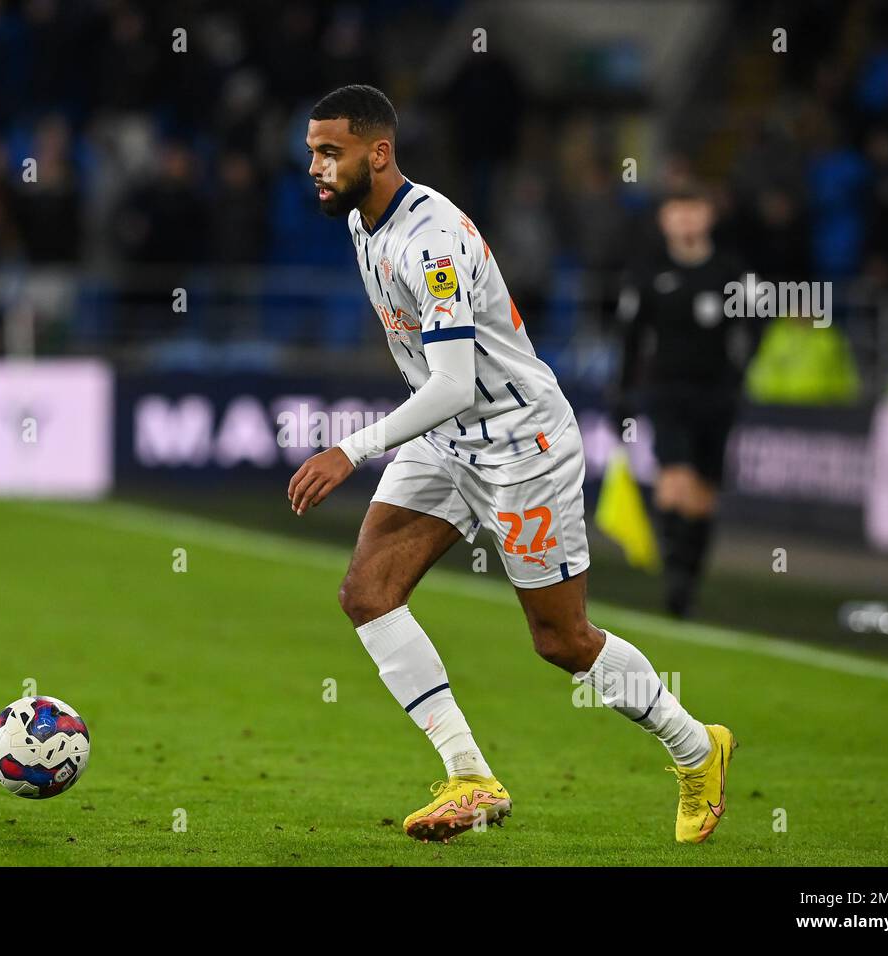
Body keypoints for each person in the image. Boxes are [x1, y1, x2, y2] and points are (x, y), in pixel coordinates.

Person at [288, 85, 736, 845]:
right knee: (367, 592)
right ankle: (470, 776)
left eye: (330, 153)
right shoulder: (365, 225)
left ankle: (698, 749)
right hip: (447, 440)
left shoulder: (428, 238)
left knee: (561, 641)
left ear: (379, 152)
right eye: (312, 154)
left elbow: (456, 381)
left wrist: (352, 447)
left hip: (519, 444)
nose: (316, 169)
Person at [615, 187, 754, 618]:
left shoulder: (732, 272)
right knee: (675, 479)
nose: (687, 220)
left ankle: (689, 580)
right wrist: (623, 392)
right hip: (667, 391)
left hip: (717, 395)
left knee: (703, 493)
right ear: (665, 220)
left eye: (695, 209)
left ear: (708, 215)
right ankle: (674, 581)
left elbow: (755, 329)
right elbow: (631, 339)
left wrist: (739, 375)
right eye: (678, 212)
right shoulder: (648, 272)